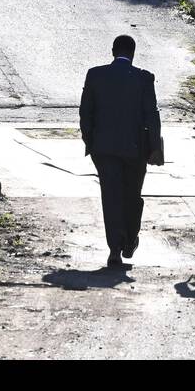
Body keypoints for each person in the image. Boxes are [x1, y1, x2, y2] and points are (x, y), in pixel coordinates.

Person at [79, 34, 163, 267]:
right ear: (133, 53)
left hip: (103, 148)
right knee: (132, 195)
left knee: (111, 196)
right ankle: (130, 239)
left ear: (112, 51)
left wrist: (90, 141)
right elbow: (152, 115)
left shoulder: (95, 75)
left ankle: (115, 247)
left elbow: (85, 112)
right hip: (135, 148)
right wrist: (155, 147)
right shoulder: (143, 78)